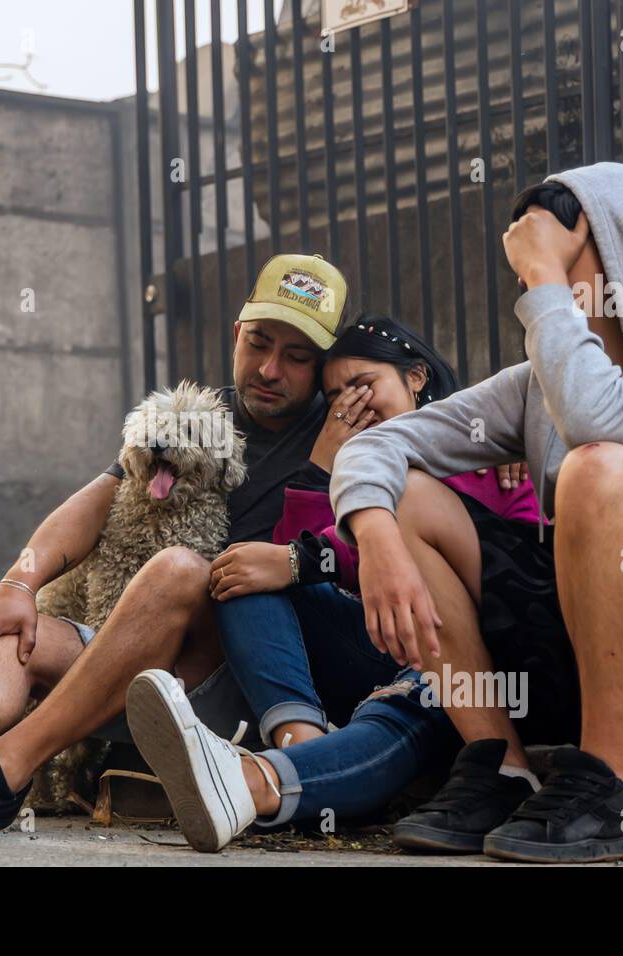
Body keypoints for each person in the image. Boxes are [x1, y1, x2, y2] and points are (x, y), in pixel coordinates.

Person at [326, 162, 623, 863]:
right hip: (605, 662)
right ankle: (501, 767)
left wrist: (550, 287)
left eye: (554, 254)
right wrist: (373, 532)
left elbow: (597, 418)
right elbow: (384, 444)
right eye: (528, 262)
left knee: (600, 470)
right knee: (403, 492)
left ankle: (612, 788)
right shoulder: (541, 384)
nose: (533, 276)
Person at [0, 253, 357, 833]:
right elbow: (93, 504)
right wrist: (20, 583)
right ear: (235, 334)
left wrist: (327, 462)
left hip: (228, 689)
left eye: (296, 356)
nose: (269, 369)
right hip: (129, 664)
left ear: (325, 366)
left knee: (179, 568)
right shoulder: (195, 414)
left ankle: (1, 770)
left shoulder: (343, 434)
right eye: (258, 343)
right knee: (16, 623)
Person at [124, 315, 542, 851]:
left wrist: (307, 560)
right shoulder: (347, 462)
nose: (351, 406)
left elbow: (513, 578)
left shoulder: (490, 458)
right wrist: (321, 465)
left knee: (408, 701)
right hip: (364, 640)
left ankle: (254, 782)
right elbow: (289, 556)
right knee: (241, 575)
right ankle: (305, 742)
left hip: (451, 656)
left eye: (363, 386)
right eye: (335, 395)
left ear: (415, 377)